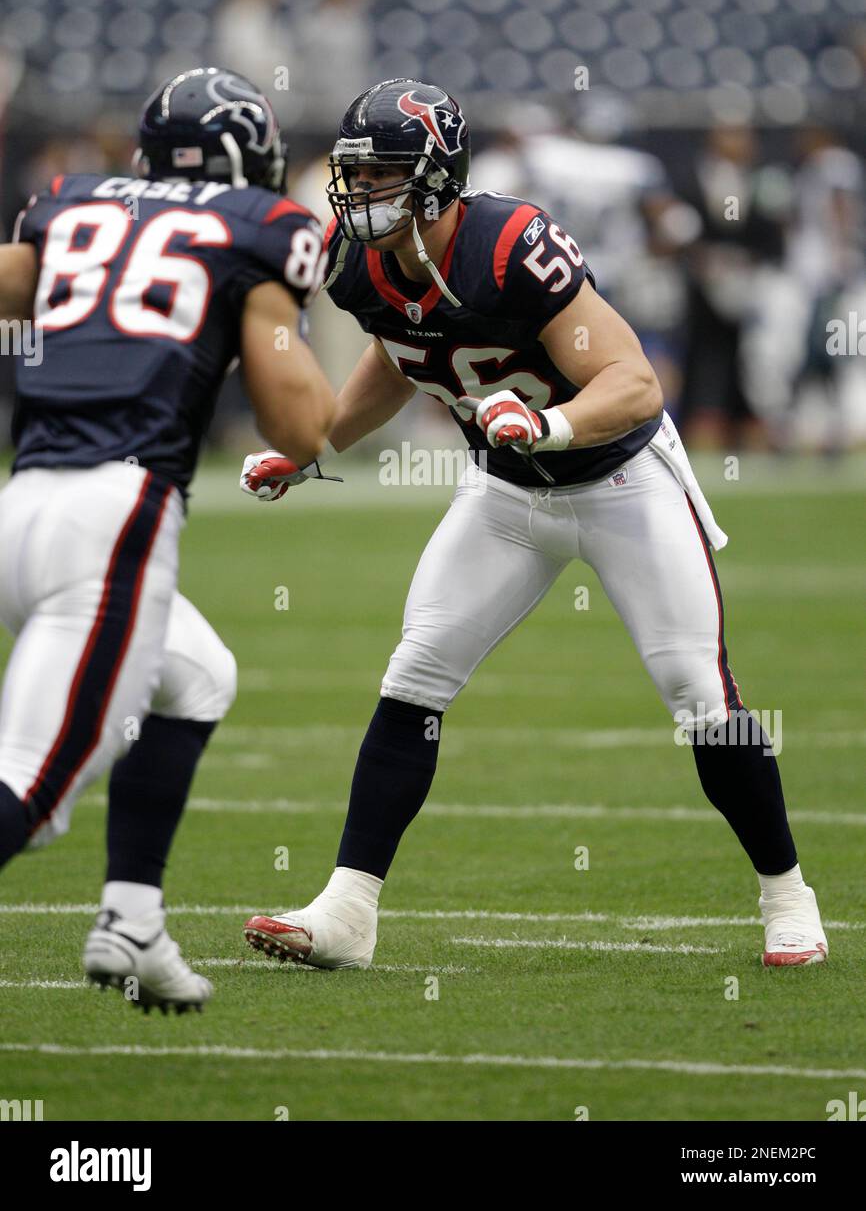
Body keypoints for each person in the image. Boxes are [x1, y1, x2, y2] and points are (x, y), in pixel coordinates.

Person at [240, 78, 827, 972]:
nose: (359, 195)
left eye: (382, 176)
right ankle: (349, 911)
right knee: (415, 674)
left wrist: (550, 423)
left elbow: (634, 381)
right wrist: (314, 442)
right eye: (355, 176)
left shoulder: (510, 244)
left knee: (698, 695)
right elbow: (402, 359)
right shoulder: (358, 263)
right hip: (508, 492)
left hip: (621, 479)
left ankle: (788, 895)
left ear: (438, 179)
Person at [0, 67, 333, 1011]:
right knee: (28, 791)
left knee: (198, 675)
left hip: (22, 506)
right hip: (113, 522)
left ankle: (133, 921)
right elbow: (301, 430)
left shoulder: (72, 202)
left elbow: (13, 291)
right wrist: (269, 324)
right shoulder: (256, 231)